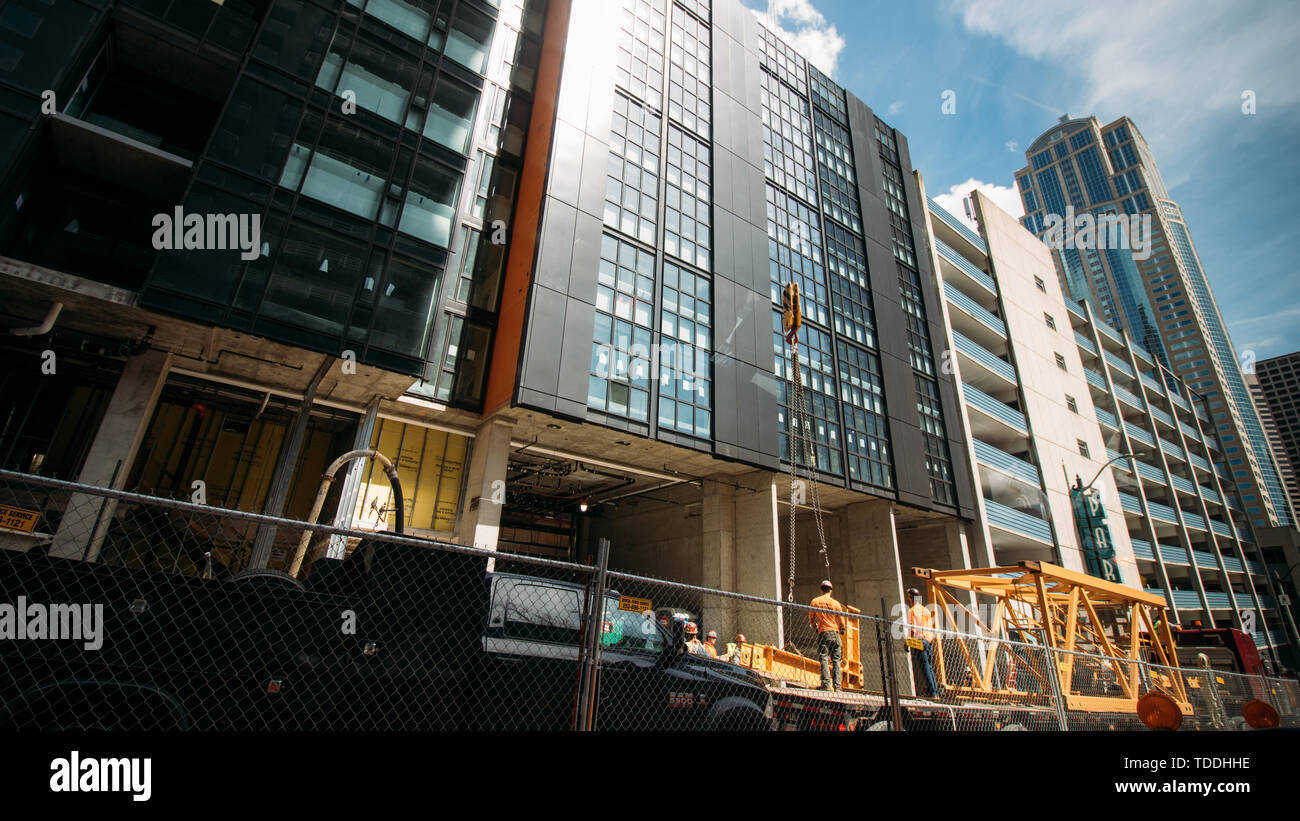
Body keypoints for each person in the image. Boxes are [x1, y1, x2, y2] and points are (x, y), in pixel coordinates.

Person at [809, 580, 846, 691]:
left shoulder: (815, 601)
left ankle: (825, 685)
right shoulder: (836, 604)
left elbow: (811, 617)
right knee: (836, 660)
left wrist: (814, 626)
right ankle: (837, 687)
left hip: (823, 633)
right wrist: (842, 629)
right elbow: (841, 620)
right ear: (831, 590)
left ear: (821, 589)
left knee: (824, 658)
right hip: (835, 633)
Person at [906, 587, 939, 697]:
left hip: (919, 641)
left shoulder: (912, 611)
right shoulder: (926, 610)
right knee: (929, 666)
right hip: (928, 640)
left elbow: (912, 628)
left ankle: (932, 692)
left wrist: (907, 642)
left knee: (924, 667)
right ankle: (934, 691)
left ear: (911, 598)